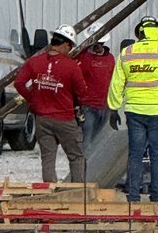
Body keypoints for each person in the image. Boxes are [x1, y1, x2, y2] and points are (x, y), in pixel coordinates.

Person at [107, 15, 158, 204]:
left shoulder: (127, 53)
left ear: (140, 32)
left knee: (135, 155)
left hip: (135, 112)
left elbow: (116, 83)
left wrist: (113, 109)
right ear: (157, 31)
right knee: (157, 156)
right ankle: (156, 198)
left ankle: (134, 197)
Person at [15, 24, 87, 183]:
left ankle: (49, 193)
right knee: (76, 157)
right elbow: (82, 93)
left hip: (42, 118)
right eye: (70, 47)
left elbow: (19, 83)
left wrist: (33, 100)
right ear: (66, 44)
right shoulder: (71, 66)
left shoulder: (35, 62)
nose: (70, 50)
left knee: (48, 159)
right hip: (65, 119)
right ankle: (77, 193)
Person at [77, 37, 116, 149]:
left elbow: (114, 79)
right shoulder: (84, 58)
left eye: (100, 44)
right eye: (95, 44)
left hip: (105, 105)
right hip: (88, 105)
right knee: (87, 135)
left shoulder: (110, 58)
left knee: (100, 137)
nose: (97, 47)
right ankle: (85, 162)